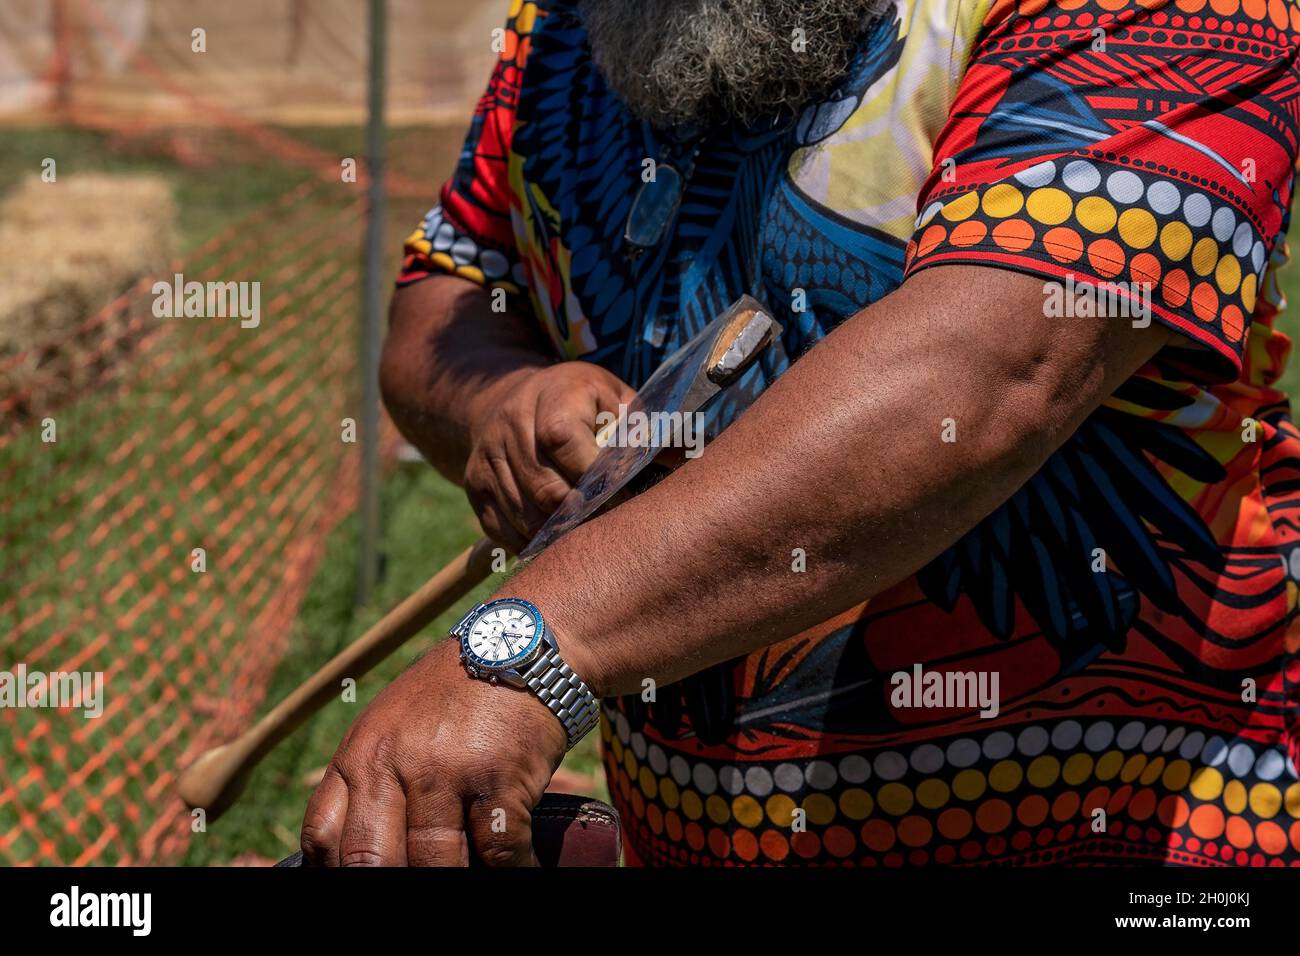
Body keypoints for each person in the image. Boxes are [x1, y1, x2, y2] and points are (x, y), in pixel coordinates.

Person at [300, 0, 1300, 866]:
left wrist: (530, 646)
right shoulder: (568, 22)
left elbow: (990, 372)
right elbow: (451, 285)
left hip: (1136, 821)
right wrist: (502, 402)